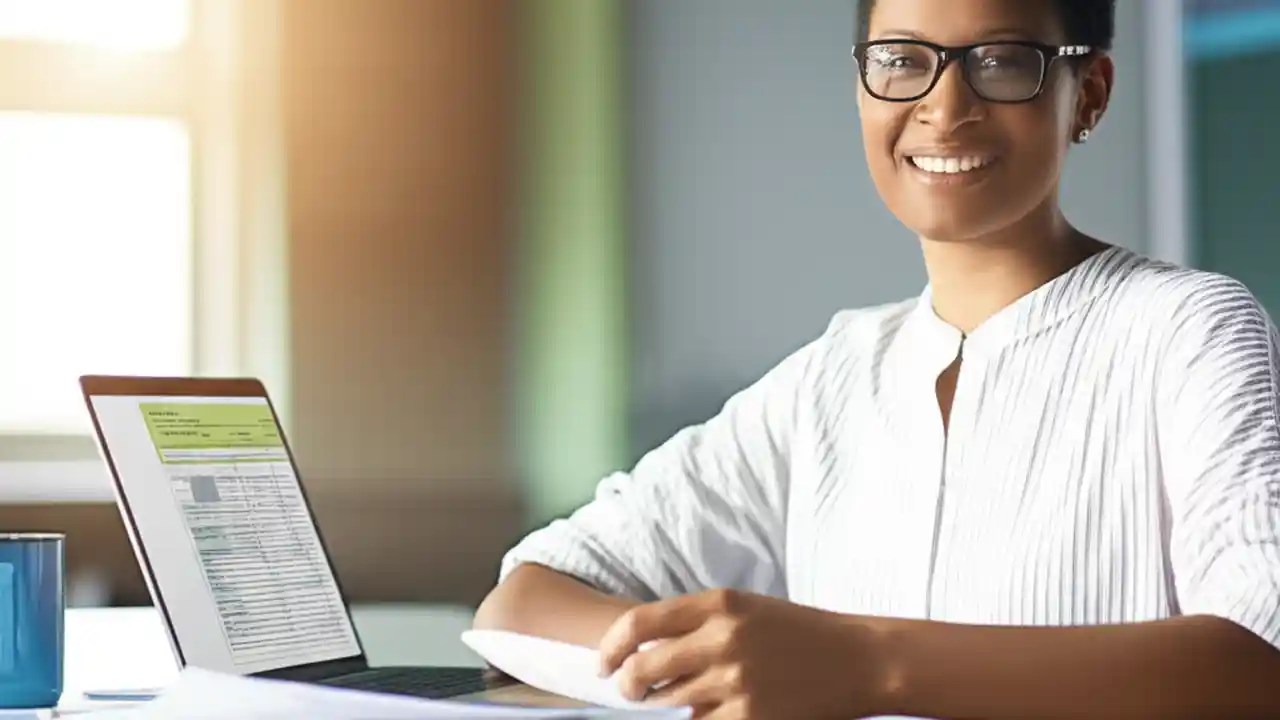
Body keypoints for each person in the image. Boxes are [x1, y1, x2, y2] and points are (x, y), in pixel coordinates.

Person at [474, 0, 1280, 717]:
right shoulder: (833, 377)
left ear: (1089, 94)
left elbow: (1262, 656)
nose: (944, 107)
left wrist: (864, 663)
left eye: (1000, 62)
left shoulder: (1188, 330)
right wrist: (720, 660)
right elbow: (525, 599)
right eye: (902, 61)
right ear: (863, 87)